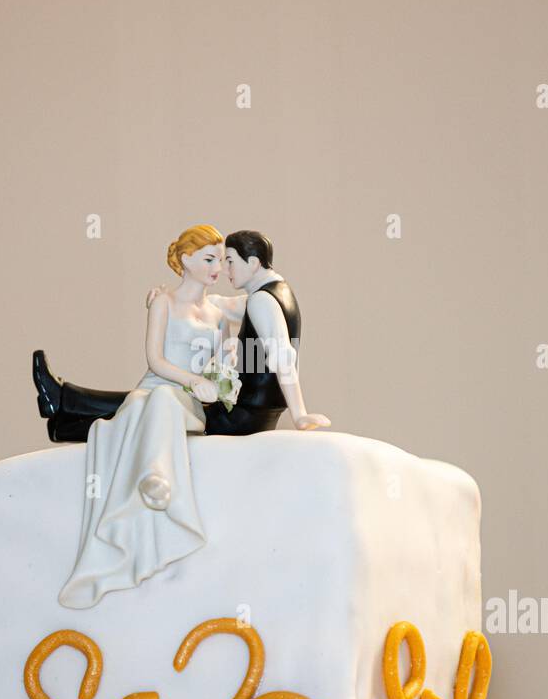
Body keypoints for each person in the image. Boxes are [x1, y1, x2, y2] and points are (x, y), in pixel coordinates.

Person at [55, 225, 230, 609]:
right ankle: (148, 486)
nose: (218, 266)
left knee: (165, 403)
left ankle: (155, 478)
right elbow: (155, 360)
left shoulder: (219, 314)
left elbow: (258, 307)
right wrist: (191, 378)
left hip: (185, 401)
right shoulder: (163, 302)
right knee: (141, 405)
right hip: (157, 387)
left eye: (220, 259)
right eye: (209, 259)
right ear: (185, 259)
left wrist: (219, 380)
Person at [34, 229, 329, 441]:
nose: (224, 270)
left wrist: (300, 414)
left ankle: (64, 403)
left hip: (234, 411)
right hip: (223, 400)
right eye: (214, 260)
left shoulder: (256, 302)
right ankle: (64, 422)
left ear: (252, 264)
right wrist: (166, 301)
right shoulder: (269, 295)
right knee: (151, 401)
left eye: (228, 261)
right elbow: (220, 309)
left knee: (154, 404)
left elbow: (282, 356)